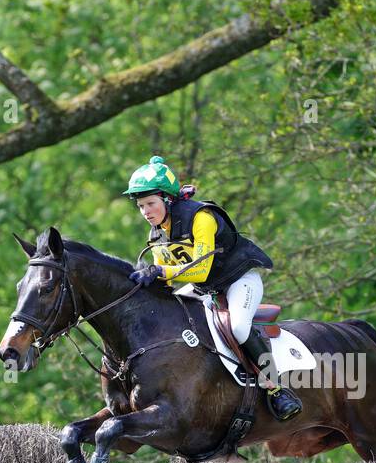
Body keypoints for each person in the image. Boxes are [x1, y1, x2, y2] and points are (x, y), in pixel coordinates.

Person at [122, 155, 302, 421]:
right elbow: (169, 283)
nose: (146, 212)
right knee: (167, 315)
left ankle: (277, 390)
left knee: (239, 327)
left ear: (167, 200)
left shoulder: (201, 217)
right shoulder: (157, 233)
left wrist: (160, 270)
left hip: (238, 281)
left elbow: (200, 269)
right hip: (205, 289)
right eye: (140, 206)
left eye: (150, 203)